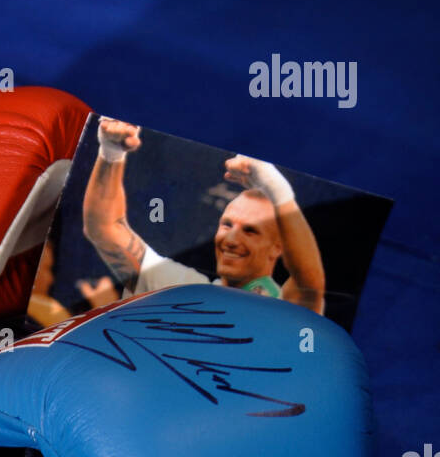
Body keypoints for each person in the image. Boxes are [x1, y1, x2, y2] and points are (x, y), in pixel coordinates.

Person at [80, 117, 326, 314]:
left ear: (277, 248)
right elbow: (105, 228)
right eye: (227, 225)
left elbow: (310, 285)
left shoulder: (283, 309)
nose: (230, 239)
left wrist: (277, 190)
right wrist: (111, 152)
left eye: (251, 230)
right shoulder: (182, 288)